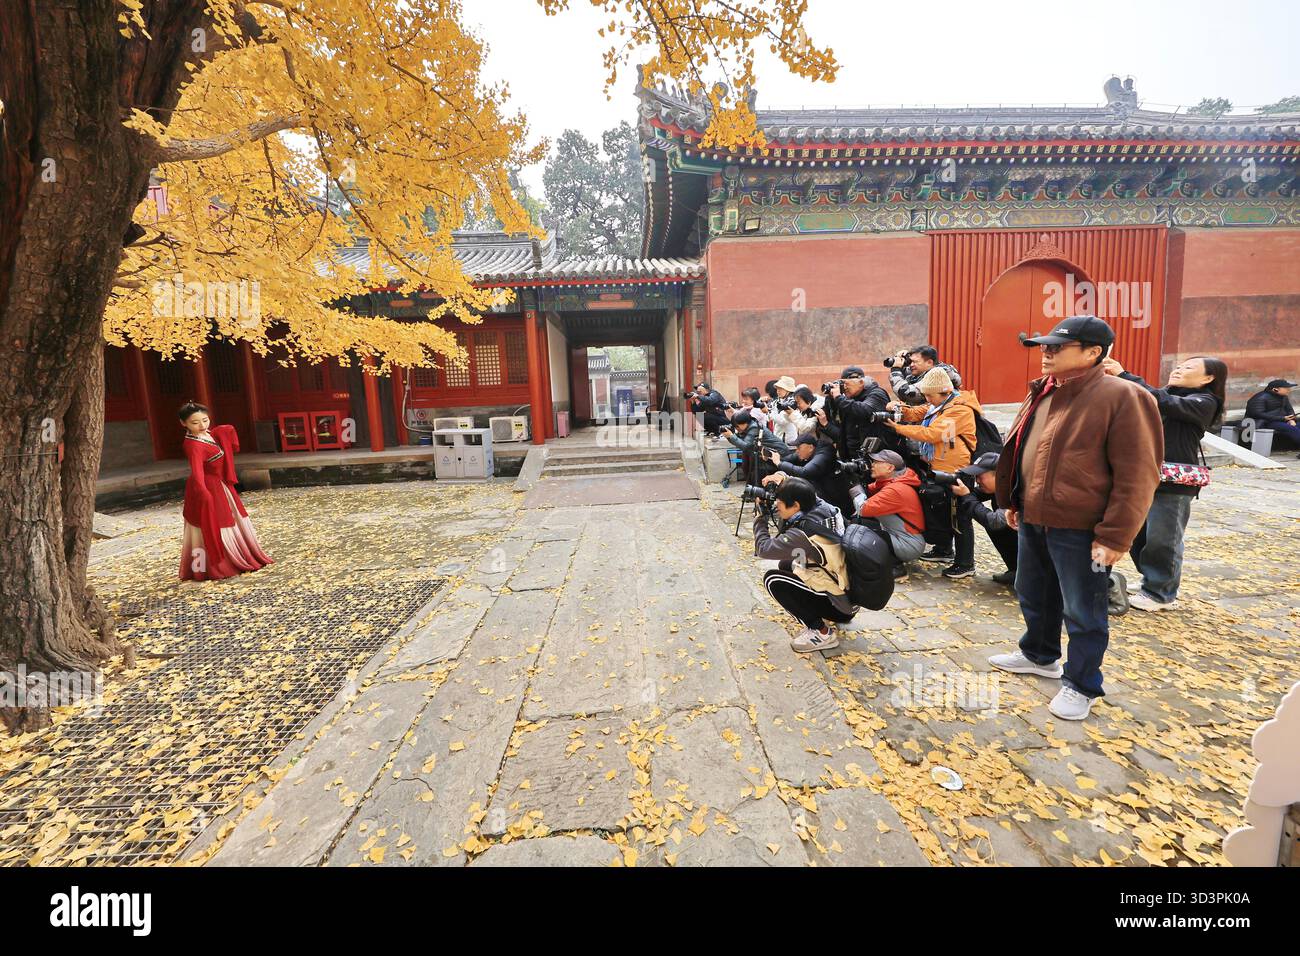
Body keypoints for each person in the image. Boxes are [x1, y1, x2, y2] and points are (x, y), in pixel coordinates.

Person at [988, 316, 1162, 721]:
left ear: (1093, 352)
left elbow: (1138, 473)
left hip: (1083, 527)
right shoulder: (1044, 391)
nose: (1046, 354)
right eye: (1044, 347)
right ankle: (1039, 654)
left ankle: (1081, 683)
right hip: (1035, 515)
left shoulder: (1123, 396)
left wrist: (1116, 537)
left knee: (1083, 609)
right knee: (1033, 591)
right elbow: (1024, 449)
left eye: (1057, 347)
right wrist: (1014, 498)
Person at [1105, 355, 1228, 611]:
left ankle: (1162, 593)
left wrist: (1124, 374)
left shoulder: (1204, 402)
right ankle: (1153, 579)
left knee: (1164, 538)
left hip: (1174, 482)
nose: (1179, 370)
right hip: (1146, 475)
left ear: (1208, 378)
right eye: (1179, 366)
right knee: (1139, 535)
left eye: (1189, 368)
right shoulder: (1165, 395)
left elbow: (1160, 400)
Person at [883, 366, 980, 569]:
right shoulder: (941, 405)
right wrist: (900, 410)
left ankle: (965, 564)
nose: (927, 400)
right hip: (939, 466)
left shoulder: (959, 409)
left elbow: (932, 434)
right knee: (942, 511)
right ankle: (944, 550)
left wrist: (898, 428)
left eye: (930, 395)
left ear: (944, 392)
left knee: (960, 518)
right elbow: (918, 412)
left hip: (956, 471)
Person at [753, 476, 856, 653]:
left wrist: (760, 518)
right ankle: (833, 611)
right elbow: (806, 491)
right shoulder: (824, 507)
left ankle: (821, 632)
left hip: (840, 604)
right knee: (787, 563)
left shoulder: (802, 533)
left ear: (796, 506)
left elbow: (763, 549)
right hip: (851, 594)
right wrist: (784, 481)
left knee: (773, 580)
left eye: (780, 501)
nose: (776, 505)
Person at [178, 401, 274, 582]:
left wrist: (222, 431)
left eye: (205, 420)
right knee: (216, 523)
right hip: (206, 486)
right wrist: (203, 492)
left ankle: (240, 556)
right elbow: (197, 470)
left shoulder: (205, 434)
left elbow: (214, 434)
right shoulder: (193, 445)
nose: (202, 426)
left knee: (231, 519)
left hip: (219, 485)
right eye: (195, 423)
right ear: (183, 424)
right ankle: (215, 565)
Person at [853, 449, 927, 580]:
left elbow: (862, 508)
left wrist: (853, 486)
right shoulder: (894, 481)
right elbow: (869, 489)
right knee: (856, 524)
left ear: (890, 468)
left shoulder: (896, 489)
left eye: (876, 462)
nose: (872, 465)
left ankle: (895, 567)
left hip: (908, 544)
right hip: (901, 536)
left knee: (863, 536)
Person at [951, 452, 1017, 586]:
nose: (977, 481)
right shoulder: (998, 486)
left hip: (1041, 549)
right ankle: (1016, 570)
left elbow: (995, 521)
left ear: (998, 475)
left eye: (980, 476)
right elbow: (974, 494)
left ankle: (1026, 577)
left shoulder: (1013, 490)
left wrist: (967, 497)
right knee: (994, 525)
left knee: (995, 524)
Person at [762, 433, 852, 517]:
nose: (797, 451)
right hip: (822, 492)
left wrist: (779, 463)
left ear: (810, 447)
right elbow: (784, 461)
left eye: (799, 447)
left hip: (834, 498)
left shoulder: (824, 453)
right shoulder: (806, 452)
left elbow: (805, 472)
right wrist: (770, 458)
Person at [824, 366, 891, 461]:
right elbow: (832, 417)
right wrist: (831, 398)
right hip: (851, 457)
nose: (844, 387)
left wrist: (839, 398)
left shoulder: (877, 394)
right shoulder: (848, 399)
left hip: (876, 457)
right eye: (842, 384)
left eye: (846, 383)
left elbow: (865, 410)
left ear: (861, 382)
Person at [720, 409, 790, 482]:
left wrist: (731, 436)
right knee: (746, 465)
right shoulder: (748, 427)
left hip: (779, 453)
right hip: (765, 453)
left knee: (754, 470)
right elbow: (742, 444)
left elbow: (745, 446)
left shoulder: (754, 427)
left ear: (745, 423)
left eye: (737, 426)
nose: (736, 428)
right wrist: (729, 436)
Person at [889, 345, 963, 406]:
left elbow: (906, 393)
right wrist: (900, 360)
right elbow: (903, 375)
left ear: (929, 362)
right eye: (910, 361)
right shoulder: (918, 374)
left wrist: (896, 369)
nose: (911, 365)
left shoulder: (937, 377)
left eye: (915, 362)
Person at [1244, 378, 1299, 452]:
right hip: (1266, 422)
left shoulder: (1284, 397)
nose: (1289, 390)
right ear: (1275, 389)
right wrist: (1283, 418)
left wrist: (1292, 420)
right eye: (1286, 388)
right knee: (1291, 429)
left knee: (1295, 426)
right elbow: (1257, 414)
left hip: (1283, 420)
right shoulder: (1260, 398)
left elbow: (1289, 410)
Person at [767, 375, 803, 444]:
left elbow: (783, 421)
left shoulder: (792, 402)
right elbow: (768, 418)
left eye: (780, 389)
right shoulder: (777, 401)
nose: (778, 391)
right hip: (778, 438)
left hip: (788, 441)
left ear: (788, 390)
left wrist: (769, 412)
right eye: (777, 389)